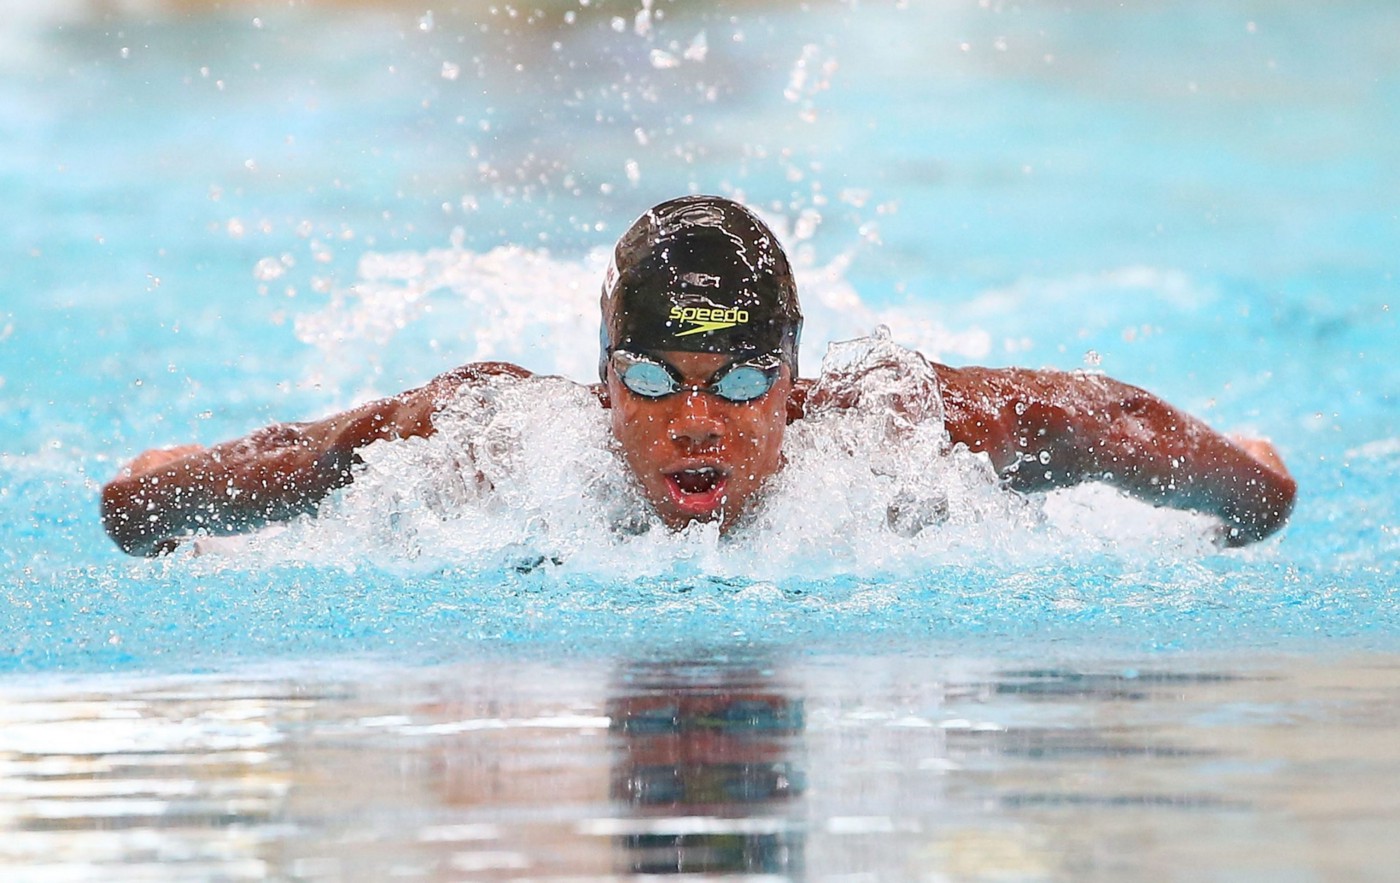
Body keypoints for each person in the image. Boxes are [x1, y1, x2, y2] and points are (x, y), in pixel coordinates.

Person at [100, 195, 1297, 557]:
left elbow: (1092, 418)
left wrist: (1247, 485)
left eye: (734, 384)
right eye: (651, 380)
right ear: (599, 379)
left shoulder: (888, 436)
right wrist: (153, 495)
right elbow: (313, 457)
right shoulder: (500, 442)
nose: (691, 424)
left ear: (790, 380)